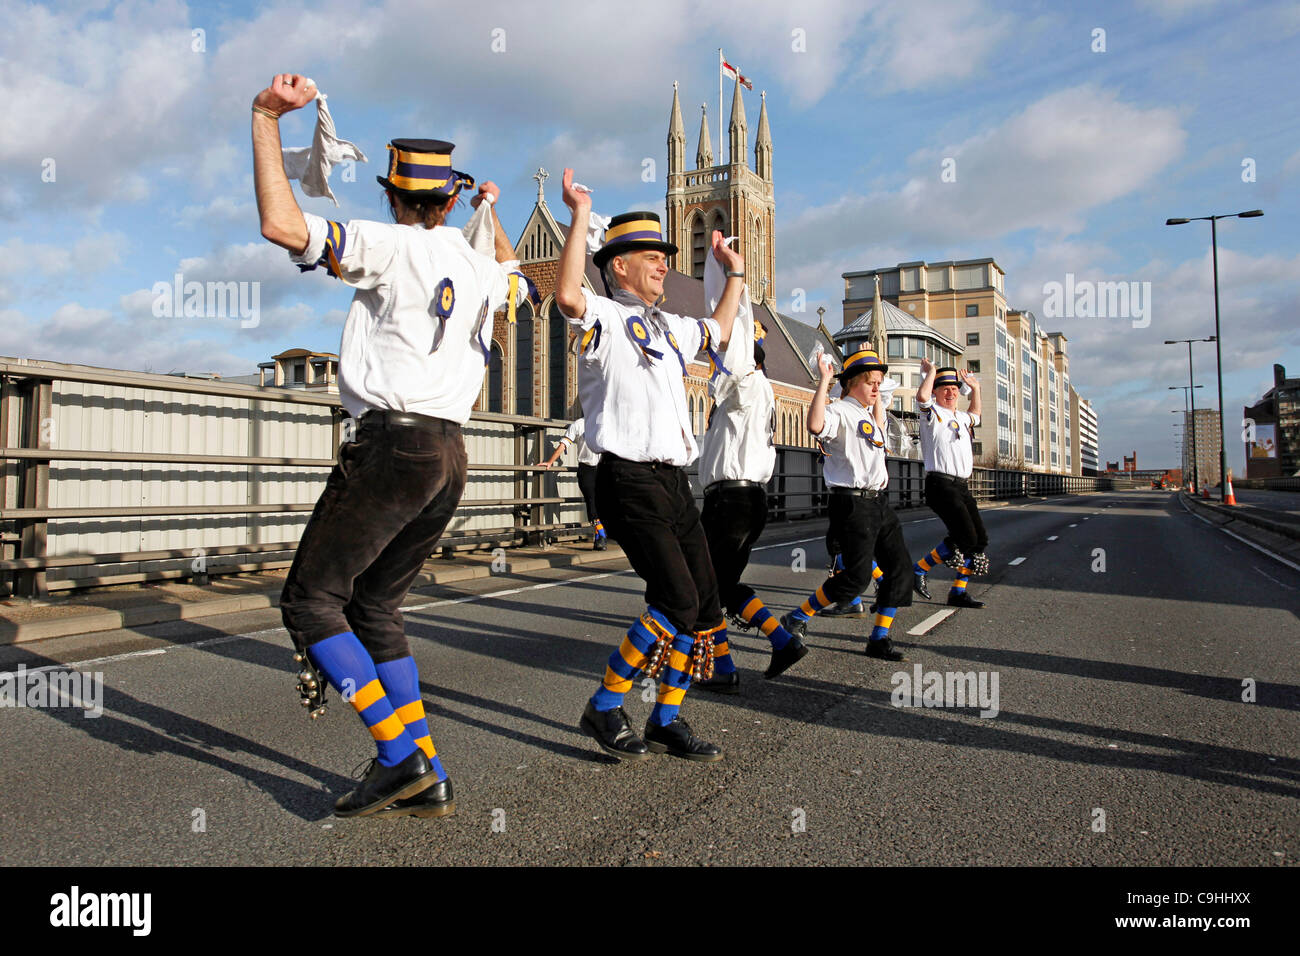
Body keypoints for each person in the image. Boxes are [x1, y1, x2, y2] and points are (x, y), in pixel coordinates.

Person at [252, 72, 524, 818]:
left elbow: (284, 225)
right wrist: (489, 211)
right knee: (377, 607)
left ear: (394, 196)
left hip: (394, 443)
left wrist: (265, 118)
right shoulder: (475, 266)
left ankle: (399, 756)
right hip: (451, 456)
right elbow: (515, 277)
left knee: (311, 600)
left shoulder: (390, 244)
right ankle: (425, 765)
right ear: (447, 199)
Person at [555, 168, 744, 762]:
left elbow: (718, 330)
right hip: (628, 478)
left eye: (665, 255)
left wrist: (734, 273)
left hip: (672, 480)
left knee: (705, 608)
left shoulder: (668, 327)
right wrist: (580, 214)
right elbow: (565, 296)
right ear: (617, 266)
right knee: (675, 601)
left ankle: (666, 718)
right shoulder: (605, 316)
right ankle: (606, 705)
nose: (664, 264)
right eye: (650, 256)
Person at [694, 300, 807, 693]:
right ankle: (780, 640)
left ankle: (722, 666)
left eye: (721, 356)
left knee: (703, 585)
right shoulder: (754, 393)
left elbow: (734, 368)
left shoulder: (746, 384)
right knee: (722, 585)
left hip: (732, 499)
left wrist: (735, 306)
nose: (716, 363)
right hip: (744, 498)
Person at [781, 348, 913, 660]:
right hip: (853, 502)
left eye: (879, 382)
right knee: (856, 578)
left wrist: (877, 397)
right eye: (871, 382)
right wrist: (825, 381)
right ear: (853, 382)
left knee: (900, 569)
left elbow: (878, 428)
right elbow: (814, 425)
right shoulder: (840, 410)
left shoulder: (868, 414)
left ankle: (879, 638)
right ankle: (797, 617)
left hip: (878, 501)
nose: (877, 388)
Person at [911, 360, 988, 609]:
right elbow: (921, 396)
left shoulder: (962, 418)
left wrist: (975, 389)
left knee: (979, 541)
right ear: (936, 390)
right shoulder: (932, 414)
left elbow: (976, 414)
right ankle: (919, 569)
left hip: (961, 485)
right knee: (964, 536)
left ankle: (958, 591)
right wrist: (930, 373)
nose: (951, 392)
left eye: (954, 388)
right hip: (940, 483)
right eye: (944, 388)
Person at [541, 415, 606, 550]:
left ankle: (599, 538)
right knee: (591, 500)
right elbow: (564, 444)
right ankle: (603, 534)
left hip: (602, 468)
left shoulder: (605, 423)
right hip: (586, 469)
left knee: (601, 503)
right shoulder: (578, 424)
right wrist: (550, 462)